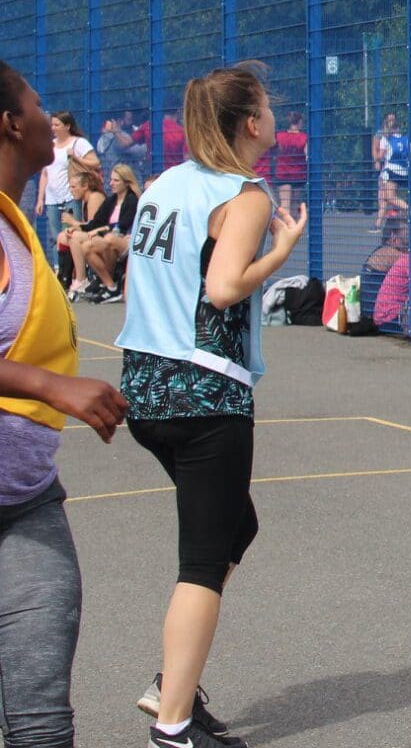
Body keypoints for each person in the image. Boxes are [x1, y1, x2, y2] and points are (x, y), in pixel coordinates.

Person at [118, 62, 308, 747]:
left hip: (144, 381)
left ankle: (172, 679)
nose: (274, 110)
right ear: (251, 123)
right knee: (203, 558)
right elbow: (225, 288)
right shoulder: (245, 193)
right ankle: (172, 722)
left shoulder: (166, 184)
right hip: (203, 391)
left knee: (236, 527)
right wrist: (280, 252)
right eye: (267, 103)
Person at [0, 59, 130, 748]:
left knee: (42, 723)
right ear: (10, 122)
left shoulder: (15, 223)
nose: (50, 118)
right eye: (37, 104)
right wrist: (54, 386)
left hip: (24, 498)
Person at [71, 164, 143, 303]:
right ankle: (108, 285)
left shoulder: (133, 200)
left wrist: (101, 230)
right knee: (81, 242)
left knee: (109, 238)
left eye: (116, 180)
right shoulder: (111, 200)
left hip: (127, 240)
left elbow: (123, 226)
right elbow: (96, 222)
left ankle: (108, 280)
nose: (111, 183)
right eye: (111, 180)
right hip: (110, 236)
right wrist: (77, 227)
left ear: (126, 182)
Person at [34, 111, 96, 250]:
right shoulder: (50, 145)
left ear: (67, 126)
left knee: (71, 233)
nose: (53, 128)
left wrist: (76, 157)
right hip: (52, 199)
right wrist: (40, 199)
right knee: (57, 238)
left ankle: (75, 267)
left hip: (71, 197)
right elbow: (45, 173)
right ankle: (59, 268)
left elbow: (95, 163)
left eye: (57, 124)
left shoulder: (78, 143)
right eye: (52, 124)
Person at [54, 162, 107, 296]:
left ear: (85, 186)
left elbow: (94, 226)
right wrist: (72, 227)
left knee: (75, 237)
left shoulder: (95, 197)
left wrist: (72, 222)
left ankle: (81, 279)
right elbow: (86, 224)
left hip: (103, 234)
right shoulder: (85, 199)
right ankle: (65, 278)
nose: (71, 190)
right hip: (92, 233)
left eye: (73, 187)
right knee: (62, 236)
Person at [360, 217, 407, 323]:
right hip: (380, 314)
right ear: (393, 235)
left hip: (369, 310)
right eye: (405, 230)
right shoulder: (393, 254)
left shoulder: (380, 250)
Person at [374, 111, 409, 223]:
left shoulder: (386, 139)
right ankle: (378, 224)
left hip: (391, 171)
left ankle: (408, 209)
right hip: (404, 170)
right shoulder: (405, 139)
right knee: (385, 196)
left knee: (388, 197)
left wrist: (377, 158)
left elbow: (380, 156)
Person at [272, 111, 308, 215]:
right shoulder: (304, 137)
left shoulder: (280, 136)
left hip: (283, 173)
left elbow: (276, 152)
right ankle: (295, 228)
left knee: (285, 204)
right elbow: (307, 156)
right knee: (295, 204)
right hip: (299, 174)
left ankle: (287, 229)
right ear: (300, 122)